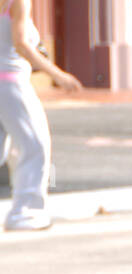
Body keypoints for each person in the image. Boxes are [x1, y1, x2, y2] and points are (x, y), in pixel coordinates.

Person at [0, 0, 80, 231]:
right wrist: (58, 75)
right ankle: (26, 213)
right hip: (12, 83)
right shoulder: (19, 2)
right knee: (35, 145)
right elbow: (21, 44)